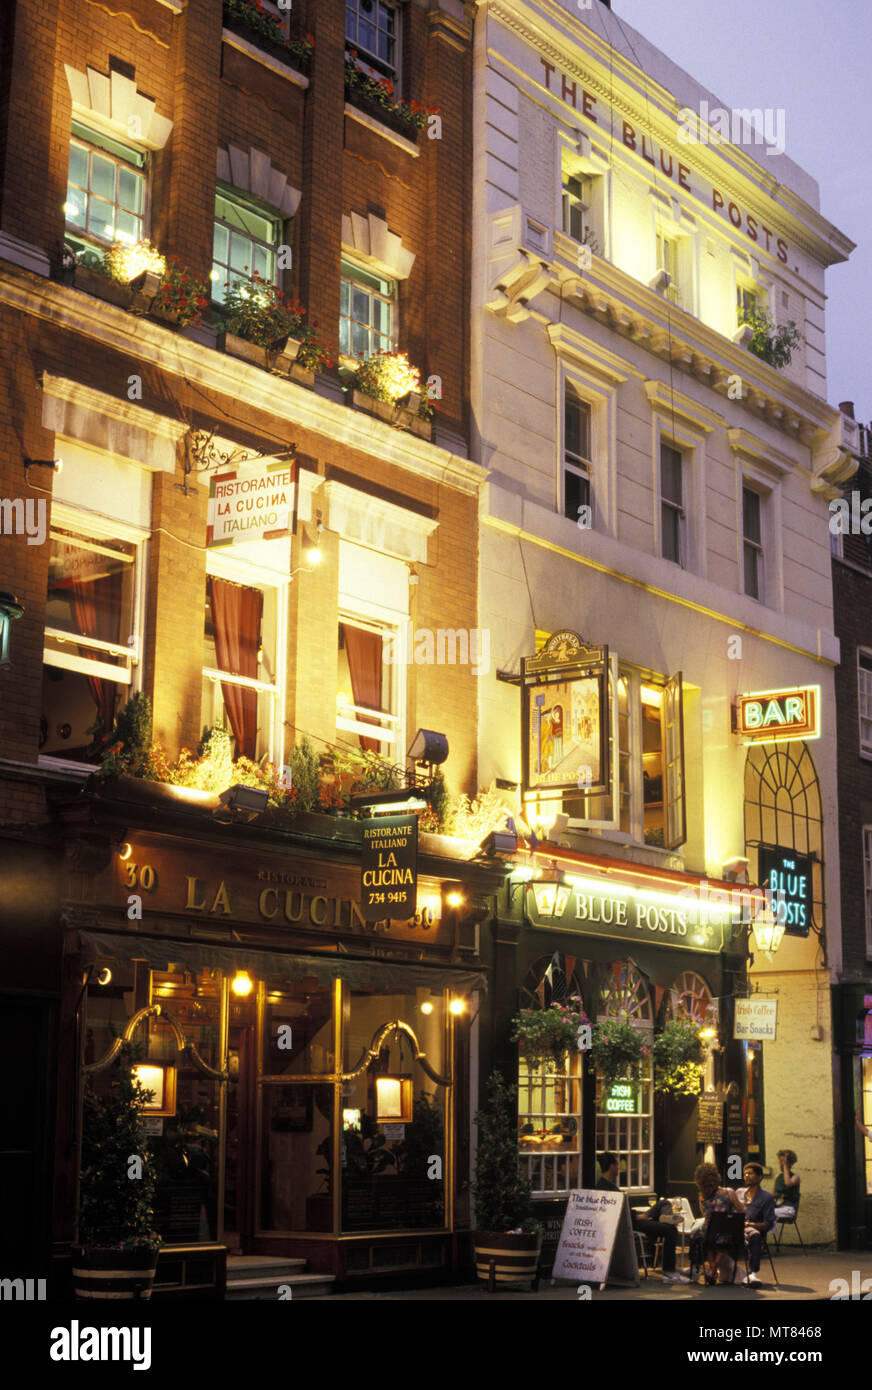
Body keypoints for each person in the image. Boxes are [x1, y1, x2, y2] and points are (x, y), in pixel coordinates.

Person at [596, 1152, 689, 1284]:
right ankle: (669, 1272)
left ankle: (666, 1216)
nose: (619, 1167)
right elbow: (619, 1213)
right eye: (617, 1165)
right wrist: (639, 1216)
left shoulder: (605, 1184)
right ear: (612, 1166)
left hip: (634, 1217)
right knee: (671, 1230)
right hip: (633, 1222)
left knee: (664, 1203)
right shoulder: (607, 1188)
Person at [692, 1162, 745, 1284]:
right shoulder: (728, 1192)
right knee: (724, 1238)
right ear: (716, 1178)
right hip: (727, 1235)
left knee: (708, 1239)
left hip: (708, 1234)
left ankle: (711, 1269)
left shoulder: (702, 1197)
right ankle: (713, 1268)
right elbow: (741, 1211)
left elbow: (705, 1215)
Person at [739, 1163, 776, 1285]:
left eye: (750, 1173)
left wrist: (751, 1224)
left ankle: (753, 1273)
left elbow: (768, 1224)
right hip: (736, 1228)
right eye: (745, 1173)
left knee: (755, 1235)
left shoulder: (766, 1197)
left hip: (753, 1231)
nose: (746, 1176)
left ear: (760, 1177)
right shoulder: (740, 1193)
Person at [774, 1149, 800, 1218]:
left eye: (783, 1161)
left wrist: (785, 1166)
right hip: (778, 1205)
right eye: (780, 1161)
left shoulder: (795, 1177)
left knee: (769, 1213)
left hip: (789, 1208)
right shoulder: (778, 1177)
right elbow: (774, 1194)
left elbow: (788, 1183)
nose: (781, 1163)